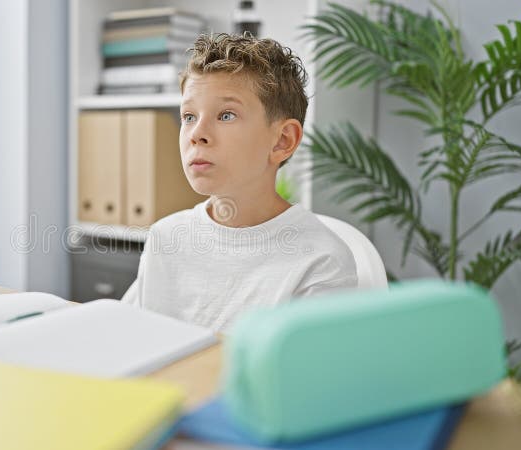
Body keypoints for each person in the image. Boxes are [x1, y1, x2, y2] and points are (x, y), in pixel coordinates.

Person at [121, 33, 357, 332]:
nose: (197, 134)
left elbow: (307, 376)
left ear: (282, 141)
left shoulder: (321, 262)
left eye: (226, 115)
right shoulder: (165, 237)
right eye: (189, 116)